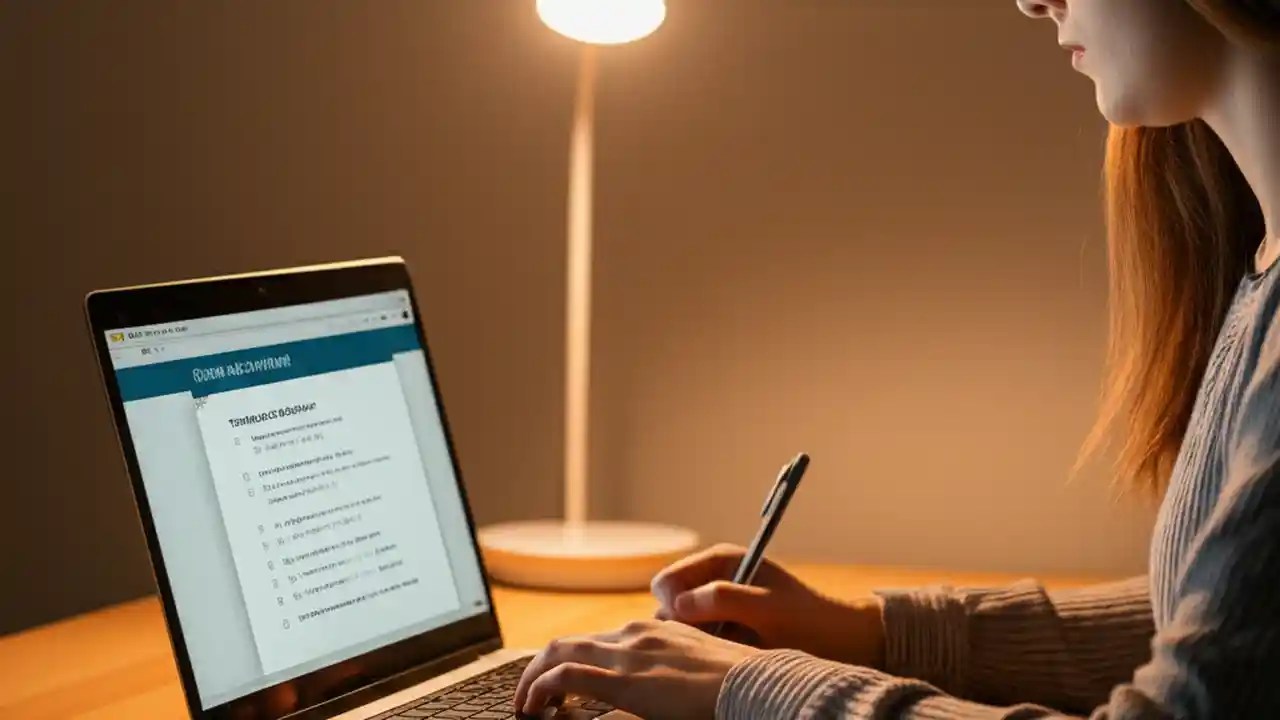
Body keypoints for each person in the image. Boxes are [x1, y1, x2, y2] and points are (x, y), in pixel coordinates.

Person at [514, 0, 1280, 717]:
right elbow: (1208, 623)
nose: (1032, 0)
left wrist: (755, 689)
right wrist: (868, 630)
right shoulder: (1259, 266)